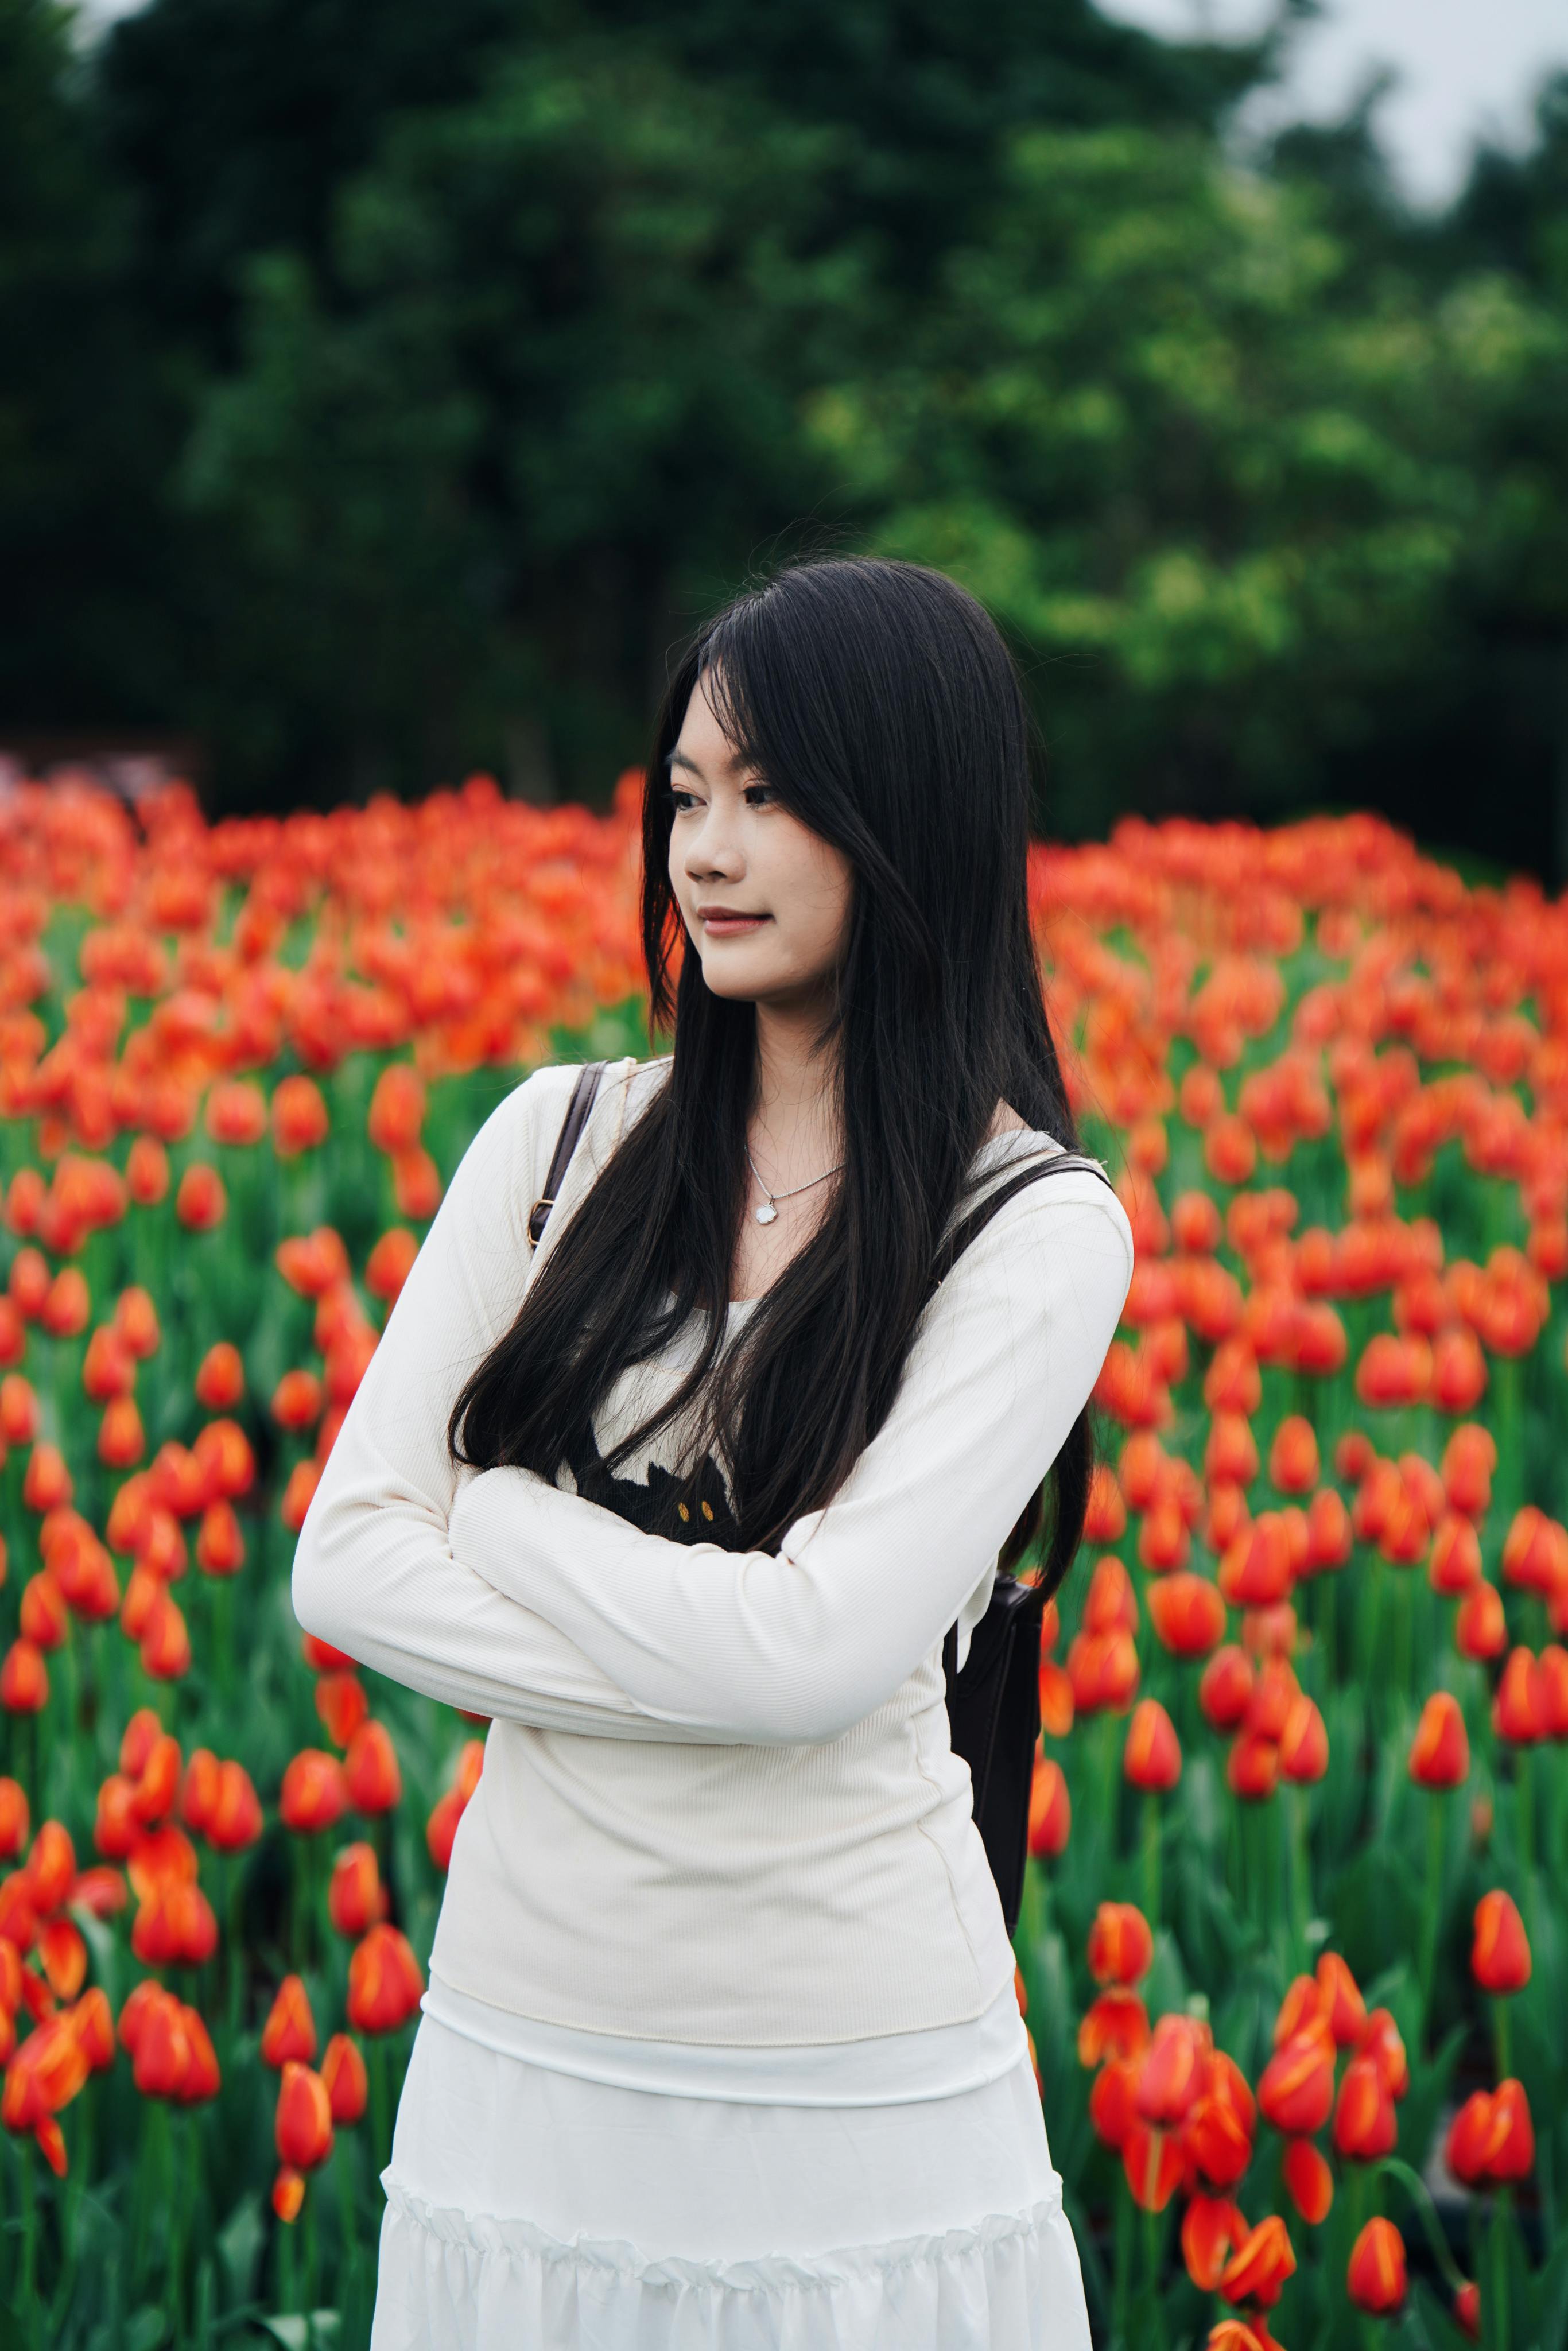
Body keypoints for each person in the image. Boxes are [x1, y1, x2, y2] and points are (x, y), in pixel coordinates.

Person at [291, 553, 1135, 2350]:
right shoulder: (558, 1141)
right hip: (525, 2047)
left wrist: (509, 1518)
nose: (705, 851)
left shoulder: (1031, 1227)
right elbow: (347, 1564)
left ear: (906, 811)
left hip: (849, 2082)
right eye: (683, 796)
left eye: (766, 796)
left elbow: (815, 1665)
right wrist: (732, 1635)